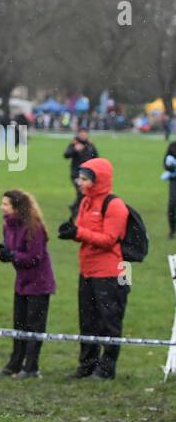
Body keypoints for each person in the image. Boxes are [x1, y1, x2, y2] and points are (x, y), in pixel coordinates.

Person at [59, 157, 130, 380]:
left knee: (109, 322)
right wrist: (71, 232)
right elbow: (85, 232)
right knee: (87, 320)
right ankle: (87, 365)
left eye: (84, 179)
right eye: (79, 178)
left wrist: (78, 233)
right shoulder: (85, 202)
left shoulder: (115, 205)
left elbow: (109, 239)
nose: (79, 182)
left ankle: (106, 369)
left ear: (98, 180)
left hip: (110, 273)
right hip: (88, 270)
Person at [0, 189, 54, 379]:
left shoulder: (34, 227)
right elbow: (16, 254)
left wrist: (12, 255)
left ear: (17, 207)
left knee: (34, 326)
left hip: (39, 283)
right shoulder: (8, 225)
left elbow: (34, 258)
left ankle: (31, 367)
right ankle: (15, 363)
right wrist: (4, 255)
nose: (1, 207)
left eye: (5, 204)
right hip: (22, 282)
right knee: (19, 324)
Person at [63, 127, 99, 210]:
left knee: (85, 192)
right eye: (81, 133)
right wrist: (74, 149)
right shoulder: (74, 143)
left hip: (88, 173)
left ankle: (76, 206)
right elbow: (66, 155)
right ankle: (78, 209)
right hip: (77, 174)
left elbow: (96, 157)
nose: (83, 135)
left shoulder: (90, 145)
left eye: (85, 133)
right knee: (82, 191)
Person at [161, 140, 176, 239]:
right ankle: (172, 230)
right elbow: (165, 163)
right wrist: (169, 167)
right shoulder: (172, 146)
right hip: (174, 180)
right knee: (172, 205)